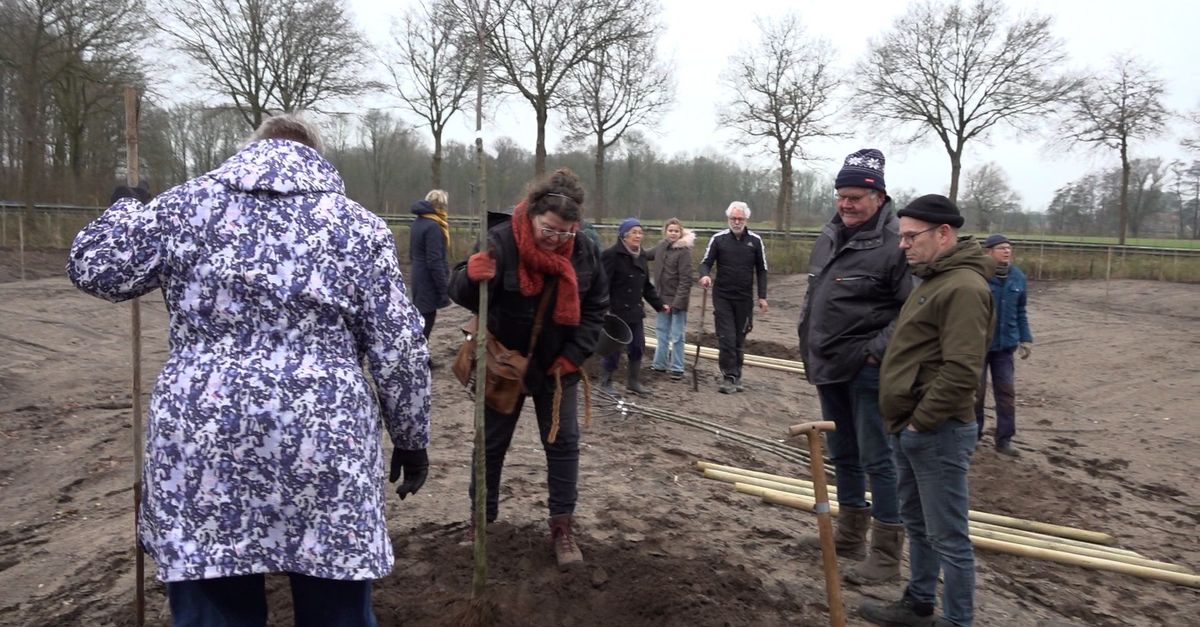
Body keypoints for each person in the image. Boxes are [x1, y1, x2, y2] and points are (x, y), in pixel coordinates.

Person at [67, 113, 432, 626]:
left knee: (214, 601)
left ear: (250, 149)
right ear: (318, 158)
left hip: (205, 442)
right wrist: (411, 438)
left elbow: (95, 268)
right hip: (323, 443)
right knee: (336, 607)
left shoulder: (183, 208)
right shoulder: (358, 226)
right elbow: (399, 347)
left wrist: (124, 209)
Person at [448, 168, 609, 569]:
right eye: (550, 230)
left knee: (563, 445)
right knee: (490, 445)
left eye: (567, 233)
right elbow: (457, 291)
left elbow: (596, 308)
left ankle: (562, 527)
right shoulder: (500, 242)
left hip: (559, 366)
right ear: (533, 214)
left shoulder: (585, 250)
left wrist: (574, 355)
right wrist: (471, 276)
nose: (557, 240)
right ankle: (479, 522)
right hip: (503, 363)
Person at [863, 195, 995, 627]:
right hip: (910, 426)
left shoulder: (964, 287)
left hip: (936, 431)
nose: (903, 245)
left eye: (910, 236)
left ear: (943, 234)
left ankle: (957, 620)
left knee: (949, 535)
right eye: (902, 236)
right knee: (918, 525)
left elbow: (962, 369)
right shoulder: (933, 278)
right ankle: (919, 602)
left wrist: (921, 422)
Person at [797, 148, 911, 585]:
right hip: (828, 363)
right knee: (842, 453)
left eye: (855, 198)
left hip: (867, 368)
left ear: (878, 197)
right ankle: (848, 536)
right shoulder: (830, 234)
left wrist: (875, 351)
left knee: (877, 458)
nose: (845, 204)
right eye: (840, 196)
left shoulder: (895, 242)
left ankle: (884, 554)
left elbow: (911, 310)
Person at [698, 201, 768, 394]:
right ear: (728, 219)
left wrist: (762, 296)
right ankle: (728, 376)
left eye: (740, 219)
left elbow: (762, 270)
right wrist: (704, 275)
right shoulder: (718, 239)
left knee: (739, 339)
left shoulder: (755, 241)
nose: (736, 222)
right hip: (723, 297)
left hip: (744, 298)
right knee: (726, 338)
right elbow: (705, 263)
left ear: (746, 220)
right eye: (733, 218)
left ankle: (737, 375)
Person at [975, 234, 1033, 458]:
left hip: (1005, 347)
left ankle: (1004, 439)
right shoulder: (979, 277)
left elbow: (1021, 310)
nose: (1007, 251)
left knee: (1006, 394)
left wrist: (1025, 338)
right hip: (979, 346)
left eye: (1009, 248)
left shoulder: (1018, 277)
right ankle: (973, 436)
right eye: (1001, 248)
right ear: (988, 252)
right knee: (975, 394)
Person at [600, 217, 667, 394]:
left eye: (640, 232)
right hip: (616, 311)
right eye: (634, 233)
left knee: (638, 346)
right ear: (624, 236)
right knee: (613, 349)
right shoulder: (611, 255)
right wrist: (602, 308)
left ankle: (633, 382)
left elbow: (646, 286)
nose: (638, 236)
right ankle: (606, 383)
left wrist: (660, 305)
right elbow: (602, 283)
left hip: (635, 311)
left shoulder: (642, 256)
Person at [645, 218, 696, 379]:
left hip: (677, 300)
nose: (673, 233)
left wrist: (678, 303)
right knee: (661, 333)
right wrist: (630, 248)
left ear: (680, 232)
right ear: (665, 231)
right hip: (662, 299)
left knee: (677, 335)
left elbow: (686, 280)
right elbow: (645, 254)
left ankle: (677, 367)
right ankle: (659, 365)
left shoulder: (684, 252)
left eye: (676, 231)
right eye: (670, 230)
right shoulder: (661, 247)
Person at [409, 189, 452, 341]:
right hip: (428, 280)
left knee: (421, 319)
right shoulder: (433, 227)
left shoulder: (417, 223)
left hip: (418, 276)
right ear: (441, 207)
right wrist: (443, 290)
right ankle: (420, 358)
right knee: (426, 321)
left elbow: (411, 254)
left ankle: (420, 356)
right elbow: (435, 260)